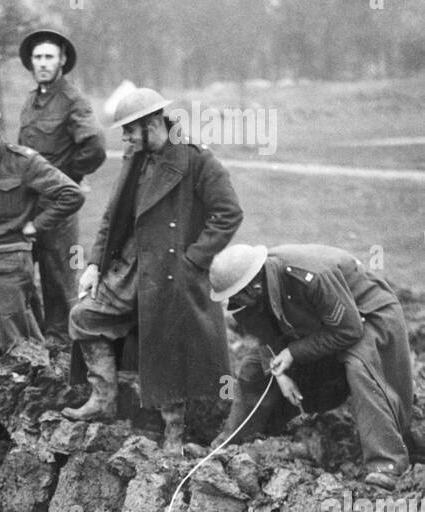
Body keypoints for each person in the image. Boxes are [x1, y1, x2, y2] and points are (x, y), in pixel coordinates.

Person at [64, 87, 242, 458]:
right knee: (84, 316)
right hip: (128, 268)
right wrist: (94, 265)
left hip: (171, 274)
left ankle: (173, 432)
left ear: (151, 124)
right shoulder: (135, 157)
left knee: (166, 351)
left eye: (130, 129)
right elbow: (112, 217)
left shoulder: (196, 160)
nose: (125, 138)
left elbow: (228, 213)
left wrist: (194, 260)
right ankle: (103, 397)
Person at [209, 242, 415, 491]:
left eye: (236, 294)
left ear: (254, 285)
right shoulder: (251, 295)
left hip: (365, 314)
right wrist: (280, 373)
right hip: (319, 324)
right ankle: (229, 445)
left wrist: (293, 353)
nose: (233, 301)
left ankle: (387, 463)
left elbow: (349, 329)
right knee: (253, 369)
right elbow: (266, 337)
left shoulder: (309, 276)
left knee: (360, 367)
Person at [0, 105, 85, 392]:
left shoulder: (24, 162)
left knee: (17, 342)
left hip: (9, 262)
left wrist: (37, 225)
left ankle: (33, 399)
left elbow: (71, 194)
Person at [17, 26, 106, 348]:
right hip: (28, 204)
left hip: (57, 207)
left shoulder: (72, 100)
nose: (42, 63)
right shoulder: (33, 100)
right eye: (37, 57)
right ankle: (39, 341)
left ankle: (66, 348)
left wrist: (68, 178)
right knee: (25, 273)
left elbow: (95, 146)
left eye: (49, 57)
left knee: (59, 278)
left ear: (62, 60)